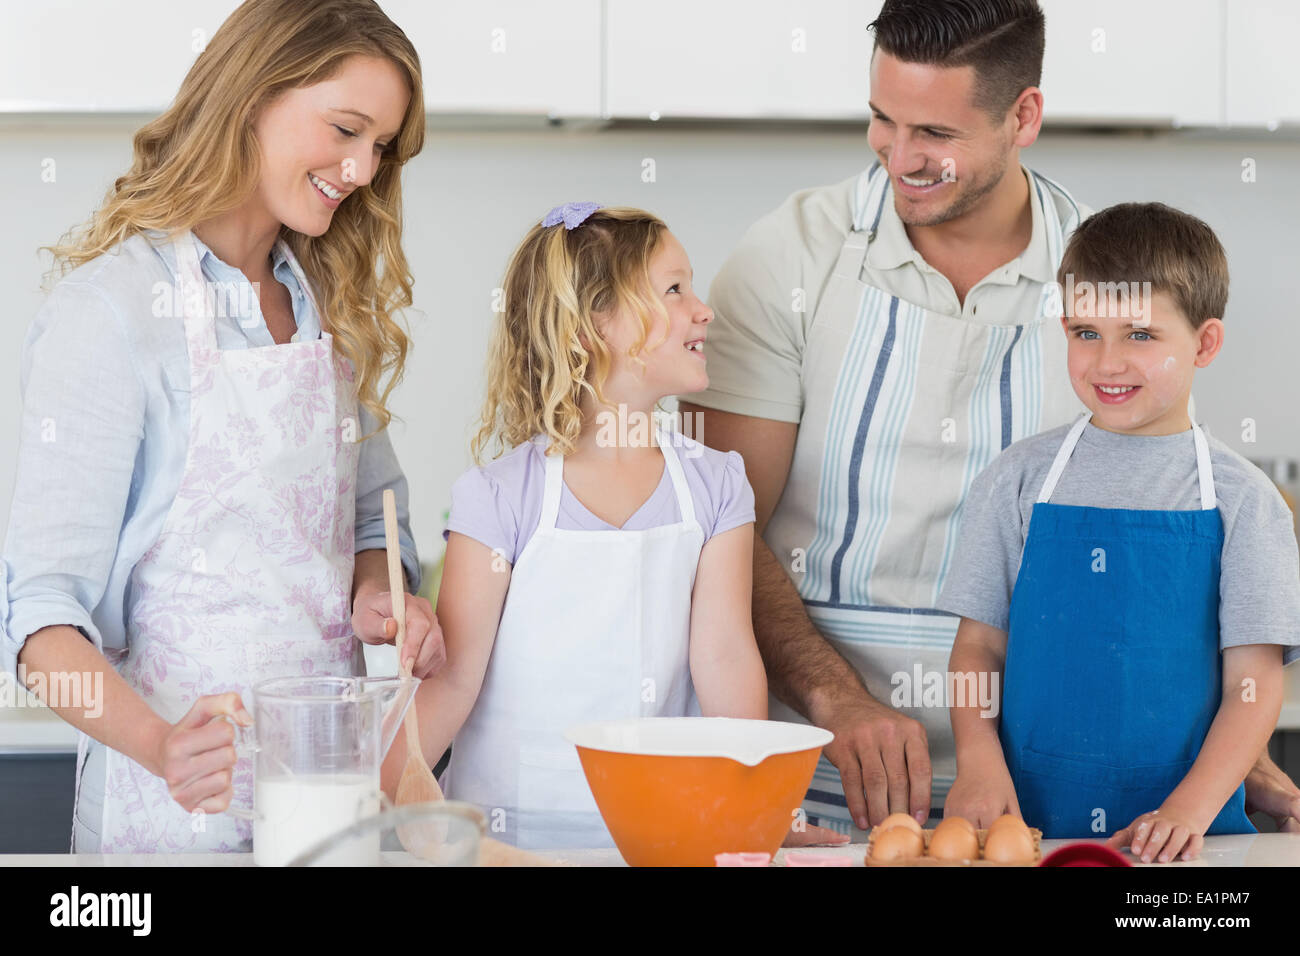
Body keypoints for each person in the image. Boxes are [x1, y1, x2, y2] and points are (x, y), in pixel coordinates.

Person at [678, 0, 1300, 840]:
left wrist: (1213, 757)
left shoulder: (1107, 278)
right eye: (881, 120)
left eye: (934, 132)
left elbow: (1164, 523)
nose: (900, 157)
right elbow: (718, 520)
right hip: (825, 773)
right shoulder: (791, 257)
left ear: (1024, 116)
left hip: (1050, 796)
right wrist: (837, 699)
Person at [1, 0, 443, 854]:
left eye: (380, 147)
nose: (360, 167)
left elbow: (370, 531)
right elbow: (38, 619)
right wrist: (163, 746)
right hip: (167, 817)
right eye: (347, 128)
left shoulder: (329, 315)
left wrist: (384, 598)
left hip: (329, 809)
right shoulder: (113, 314)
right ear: (253, 95)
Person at [381, 204, 767, 849]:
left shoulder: (716, 484)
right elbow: (454, 679)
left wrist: (756, 806)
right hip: (509, 839)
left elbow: (725, 657)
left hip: (664, 835)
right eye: (674, 290)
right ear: (595, 324)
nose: (703, 310)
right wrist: (365, 797)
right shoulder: (500, 496)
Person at [939, 203, 1300, 862]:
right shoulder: (1016, 480)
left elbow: (1256, 684)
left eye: (1139, 335)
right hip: (1026, 835)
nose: (1107, 363)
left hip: (1191, 843)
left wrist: (1188, 810)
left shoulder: (1244, 502)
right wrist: (977, 762)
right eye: (1085, 332)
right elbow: (978, 652)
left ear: (1206, 343)